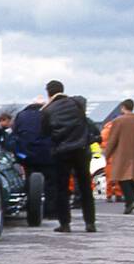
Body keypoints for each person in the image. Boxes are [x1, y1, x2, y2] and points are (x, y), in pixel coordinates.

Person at [41, 80, 96, 232]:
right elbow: (82, 99)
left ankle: (65, 224)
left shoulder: (47, 110)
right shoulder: (77, 103)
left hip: (61, 151)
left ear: (48, 93)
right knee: (85, 186)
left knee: (62, 188)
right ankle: (90, 223)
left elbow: (45, 132)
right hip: (81, 149)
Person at [12, 98, 55, 219]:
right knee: (50, 183)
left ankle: (32, 207)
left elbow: (16, 134)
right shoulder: (48, 114)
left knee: (30, 182)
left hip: (27, 155)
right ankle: (50, 211)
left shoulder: (21, 115)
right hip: (47, 154)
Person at [103, 98, 134, 214]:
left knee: (122, 177)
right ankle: (130, 202)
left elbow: (112, 139)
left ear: (123, 107)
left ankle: (130, 201)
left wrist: (106, 155)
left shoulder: (119, 121)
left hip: (122, 153)